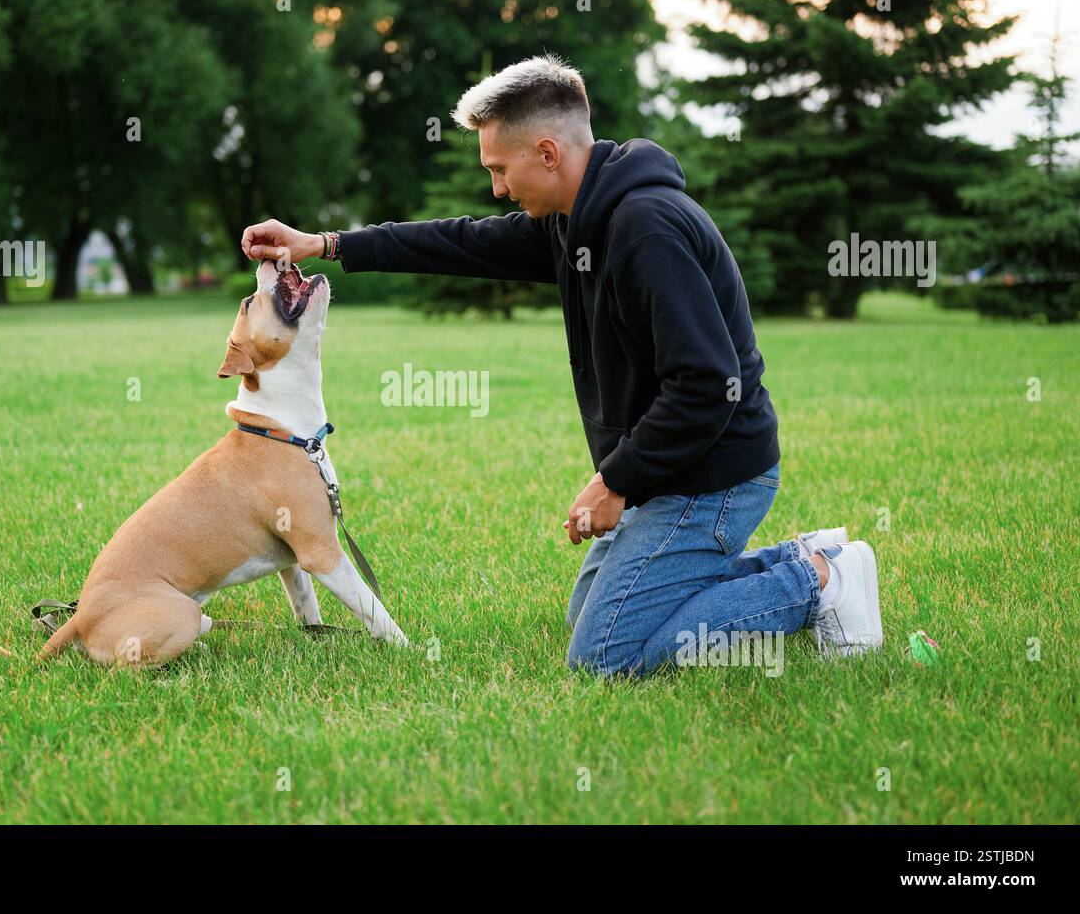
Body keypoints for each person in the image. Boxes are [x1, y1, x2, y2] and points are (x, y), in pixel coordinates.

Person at [241, 53, 883, 677]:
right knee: (591, 617)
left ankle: (820, 580)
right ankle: (810, 556)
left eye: (499, 168)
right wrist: (324, 244)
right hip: (671, 473)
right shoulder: (575, 221)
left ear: (547, 154)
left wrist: (617, 481)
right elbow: (464, 242)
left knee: (605, 654)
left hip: (713, 478)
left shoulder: (646, 229)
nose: (496, 187)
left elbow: (710, 386)